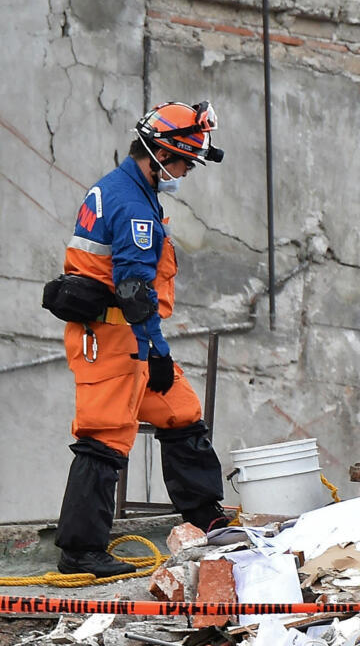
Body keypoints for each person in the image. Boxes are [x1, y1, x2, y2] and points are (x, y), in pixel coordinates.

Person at [49, 101, 229, 577]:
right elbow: (134, 291)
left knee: (181, 411)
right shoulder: (132, 204)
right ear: (161, 153)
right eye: (185, 162)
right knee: (105, 439)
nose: (187, 171)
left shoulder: (129, 187)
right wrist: (160, 350)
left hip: (124, 334)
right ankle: (81, 552)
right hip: (112, 338)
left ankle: (205, 517)